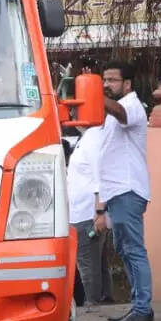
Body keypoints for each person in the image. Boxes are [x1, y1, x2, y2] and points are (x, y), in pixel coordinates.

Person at [97, 62, 155, 321]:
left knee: (133, 249)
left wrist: (95, 95)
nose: (106, 85)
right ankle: (139, 305)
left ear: (127, 84)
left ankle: (142, 307)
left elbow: (121, 113)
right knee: (124, 249)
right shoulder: (115, 108)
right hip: (117, 191)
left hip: (127, 189)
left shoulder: (131, 105)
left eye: (112, 80)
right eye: (104, 80)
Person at [67, 123, 113, 308]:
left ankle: (92, 305)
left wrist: (99, 212)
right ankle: (104, 300)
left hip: (87, 213)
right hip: (82, 212)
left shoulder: (93, 137)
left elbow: (100, 177)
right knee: (97, 262)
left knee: (87, 264)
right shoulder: (86, 137)